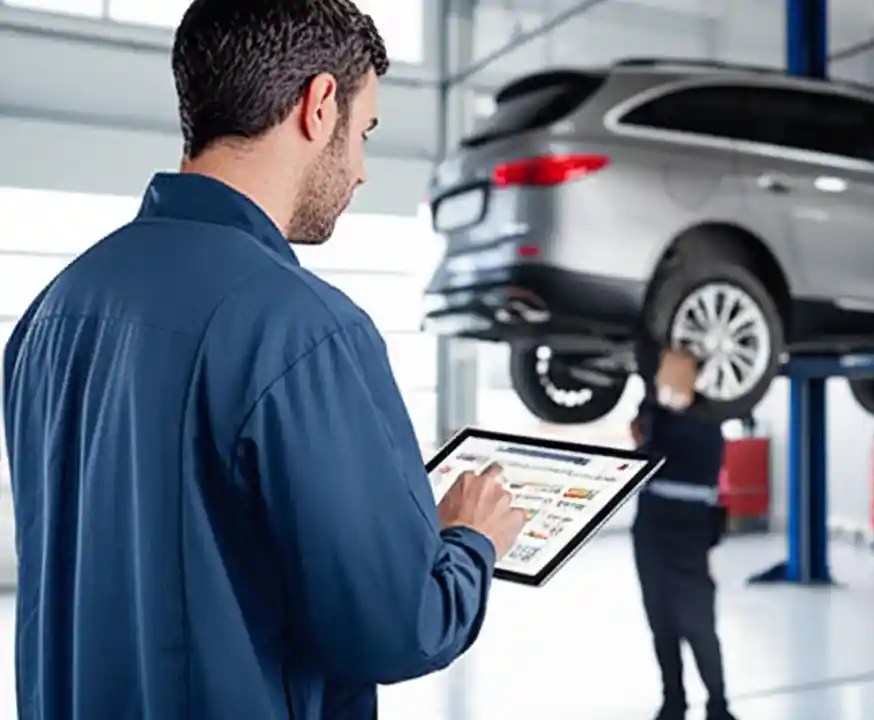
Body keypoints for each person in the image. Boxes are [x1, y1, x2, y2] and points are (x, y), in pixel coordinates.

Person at [0, 1, 525, 718]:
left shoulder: (51, 314)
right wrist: (470, 540)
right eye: (365, 133)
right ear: (319, 105)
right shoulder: (303, 328)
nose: (364, 172)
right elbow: (400, 626)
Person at [630, 335, 737, 720]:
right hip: (654, 521)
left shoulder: (710, 413)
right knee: (660, 618)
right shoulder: (654, 410)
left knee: (699, 622)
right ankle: (673, 701)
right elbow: (644, 447)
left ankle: (718, 706)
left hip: (691, 524)